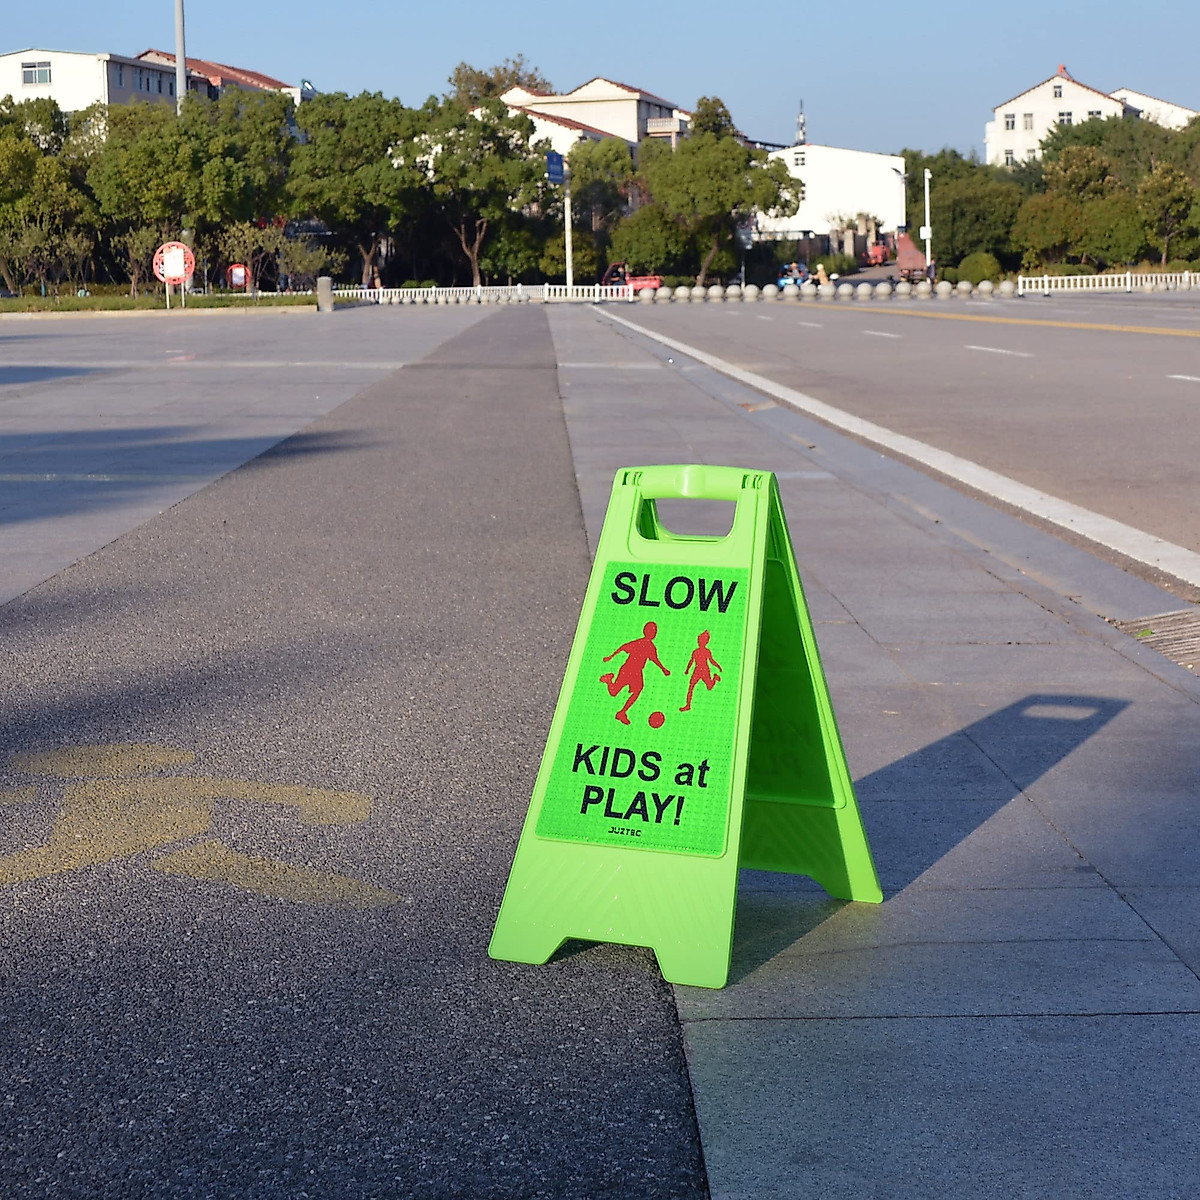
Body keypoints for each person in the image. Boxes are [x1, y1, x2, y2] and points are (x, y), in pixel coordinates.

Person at [601, 621, 670, 724]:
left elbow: (655, 659)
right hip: (628, 669)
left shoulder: (651, 647)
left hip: (637, 671)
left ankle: (622, 713)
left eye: (654, 631)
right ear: (645, 631)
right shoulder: (639, 642)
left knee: (638, 689)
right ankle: (608, 680)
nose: (653, 633)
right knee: (613, 692)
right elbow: (623, 647)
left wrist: (663, 669)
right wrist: (610, 657)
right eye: (651, 630)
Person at [680, 631, 722, 712]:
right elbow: (691, 661)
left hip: (705, 670)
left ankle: (715, 678)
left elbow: (711, 661)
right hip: (697, 670)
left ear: (706, 642)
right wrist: (687, 670)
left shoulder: (707, 651)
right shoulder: (695, 651)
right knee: (691, 687)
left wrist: (718, 666)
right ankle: (688, 705)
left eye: (702, 640)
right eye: (699, 640)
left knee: (709, 687)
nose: (700, 642)